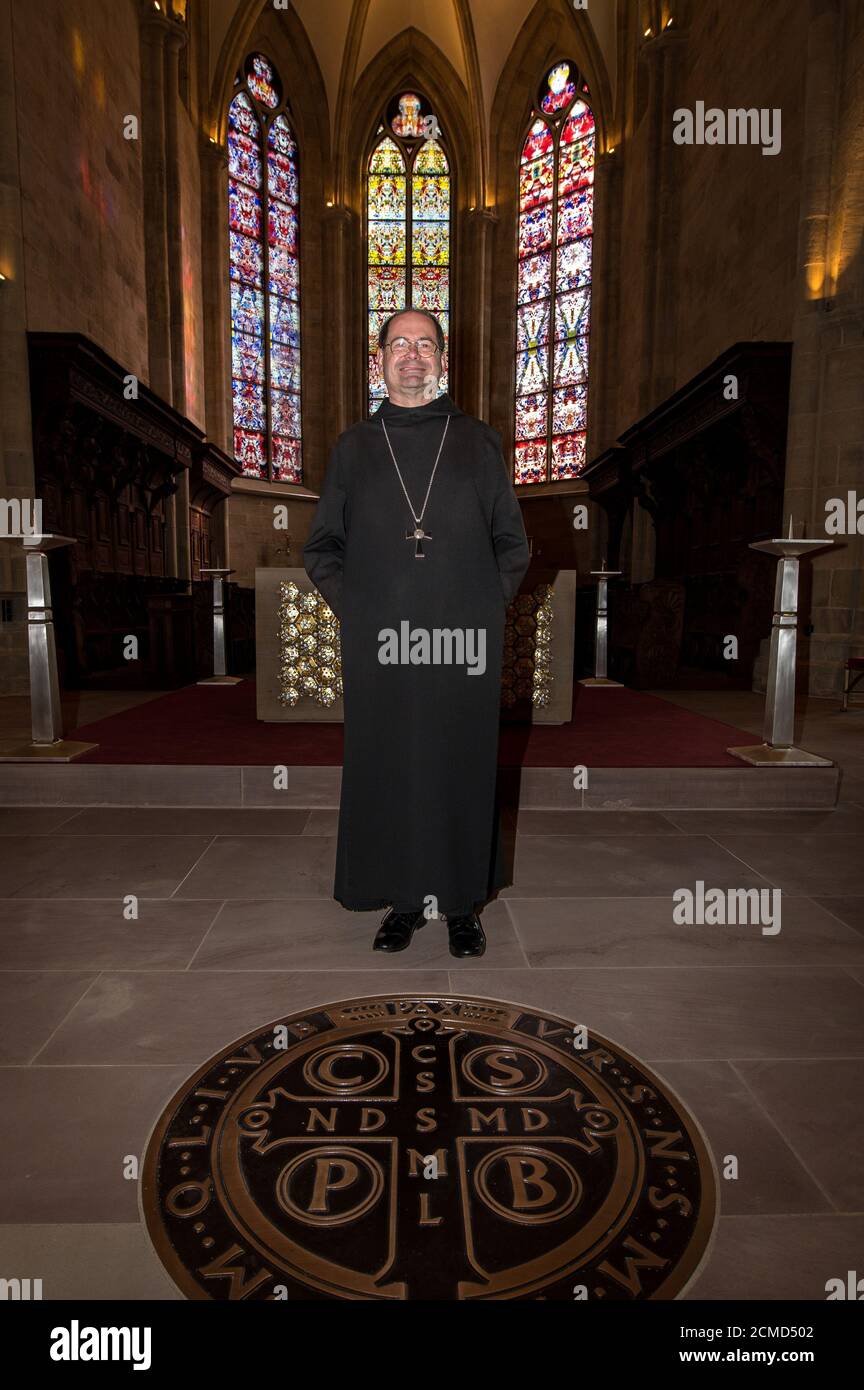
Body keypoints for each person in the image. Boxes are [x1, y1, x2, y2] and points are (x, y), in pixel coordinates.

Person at [303, 308, 530, 957]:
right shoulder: (354, 447)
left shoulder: (480, 443)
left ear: (442, 358)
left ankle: (462, 905)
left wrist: (485, 609)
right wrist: (363, 611)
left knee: (460, 764)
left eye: (424, 343)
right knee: (393, 766)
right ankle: (403, 901)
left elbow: (512, 544)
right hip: (382, 647)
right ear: (379, 360)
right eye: (398, 343)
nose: (411, 354)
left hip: (465, 645)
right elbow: (322, 548)